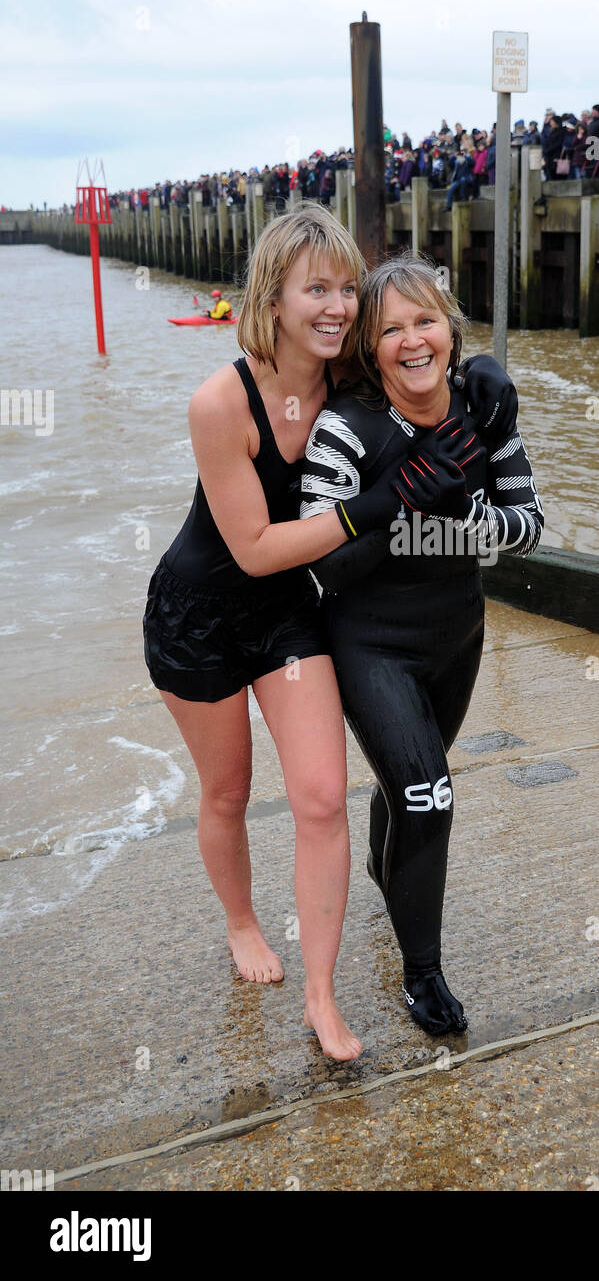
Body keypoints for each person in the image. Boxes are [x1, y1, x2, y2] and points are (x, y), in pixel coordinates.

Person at [142, 207, 449, 1062]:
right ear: (272, 296)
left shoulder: (350, 378)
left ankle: (320, 995)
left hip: (285, 613)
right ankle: (242, 924)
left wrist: (487, 388)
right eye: (317, 288)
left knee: (319, 795)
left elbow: (425, 362)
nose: (339, 307)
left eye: (348, 288)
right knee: (228, 793)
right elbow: (256, 546)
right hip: (198, 614)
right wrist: (372, 509)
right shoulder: (220, 402)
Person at [299, 254, 541, 1036]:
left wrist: (465, 521)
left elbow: (528, 524)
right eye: (390, 329)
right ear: (369, 347)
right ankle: (423, 974)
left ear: (450, 329)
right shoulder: (345, 428)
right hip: (372, 643)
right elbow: (324, 567)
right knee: (429, 796)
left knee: (410, 785)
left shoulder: (484, 408)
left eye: (425, 321)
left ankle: (385, 870)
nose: (411, 341)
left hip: (455, 638)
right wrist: (400, 499)